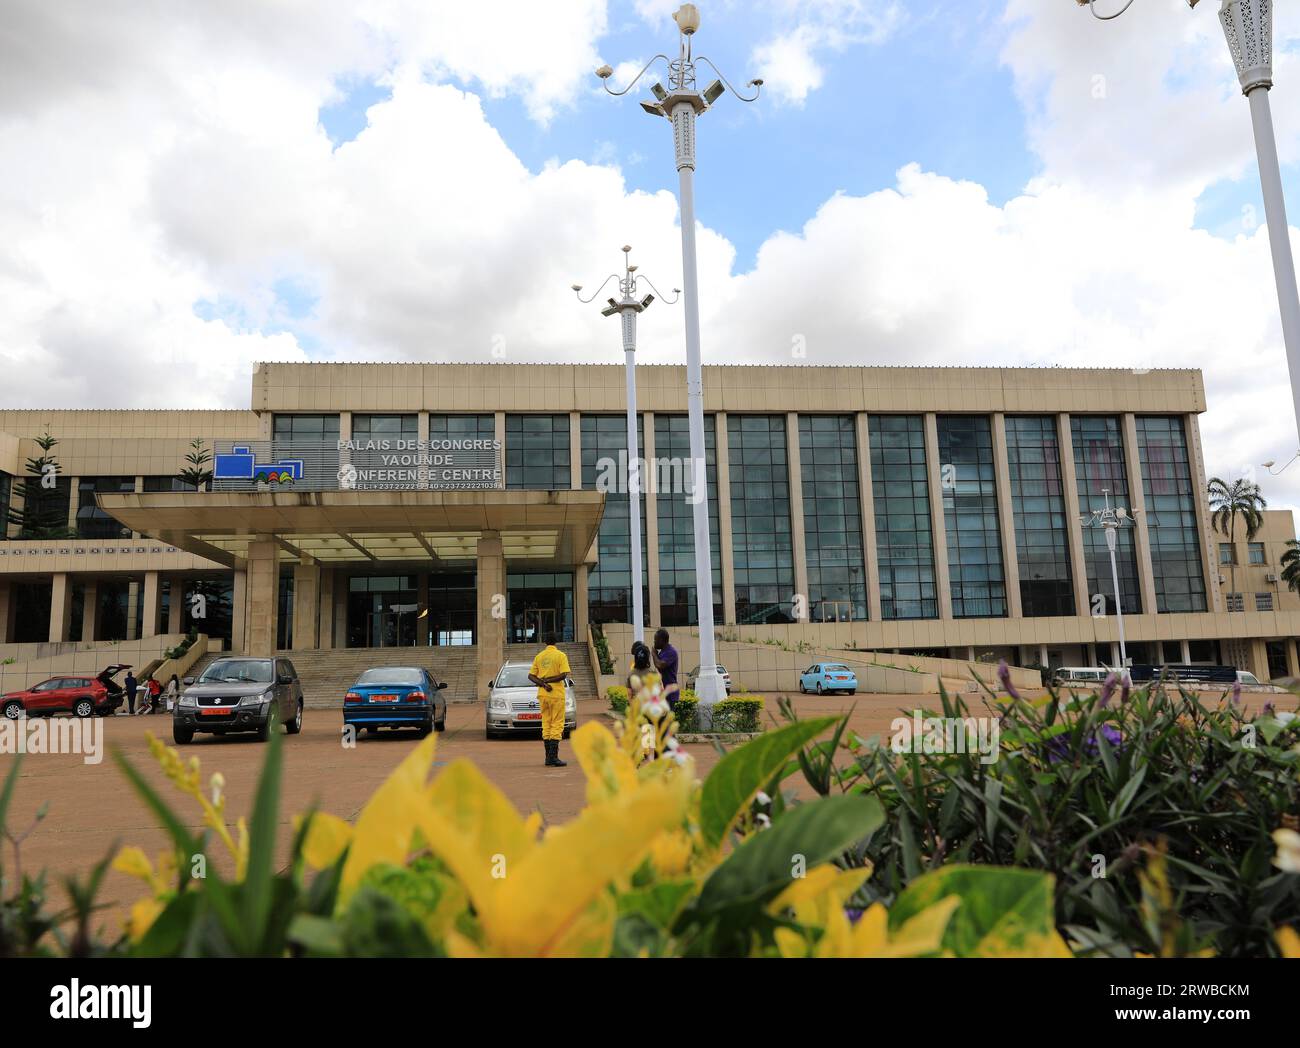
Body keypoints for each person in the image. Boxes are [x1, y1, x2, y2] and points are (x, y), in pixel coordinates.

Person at [528, 631, 571, 768]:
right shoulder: (560, 655)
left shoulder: (539, 656)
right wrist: (550, 682)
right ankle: (553, 757)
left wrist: (543, 683)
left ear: (545, 642)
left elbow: (531, 676)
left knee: (546, 723)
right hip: (556, 694)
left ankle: (548, 757)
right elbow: (563, 674)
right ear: (556, 641)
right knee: (557, 723)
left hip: (543, 694)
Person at [653, 628, 680, 709]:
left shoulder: (671, 652)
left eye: (655, 640)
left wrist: (654, 654)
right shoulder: (662, 652)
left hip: (671, 694)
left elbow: (660, 665)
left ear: (661, 640)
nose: (654, 642)